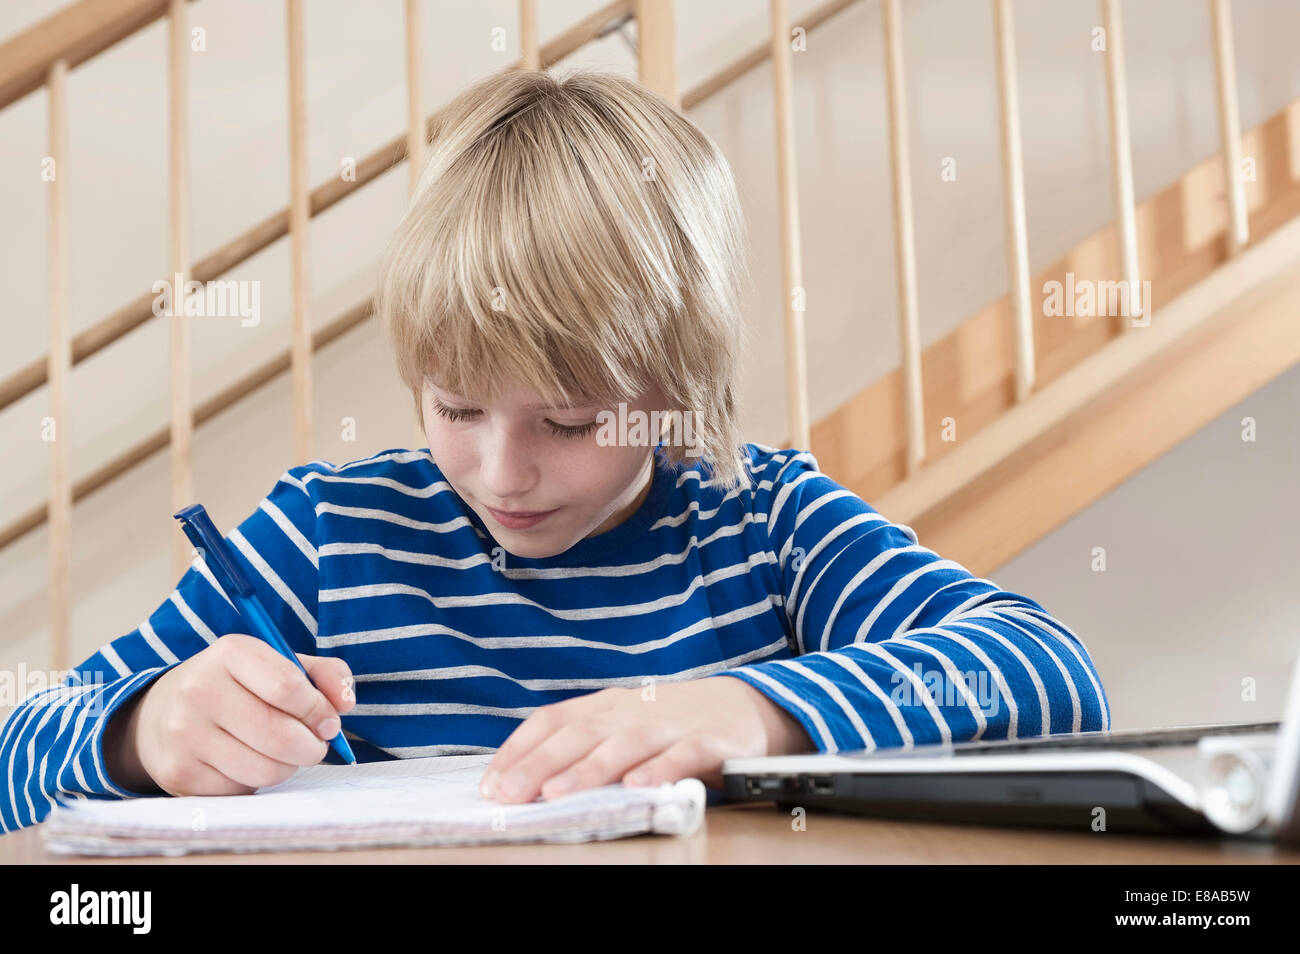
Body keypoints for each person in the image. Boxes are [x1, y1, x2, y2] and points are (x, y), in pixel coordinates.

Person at [0, 68, 1108, 832]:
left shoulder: (758, 521)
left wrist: (752, 711)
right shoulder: (330, 536)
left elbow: (1049, 673)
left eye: (571, 423)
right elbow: (18, 751)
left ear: (678, 387)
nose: (498, 471)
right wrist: (140, 734)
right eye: (455, 408)